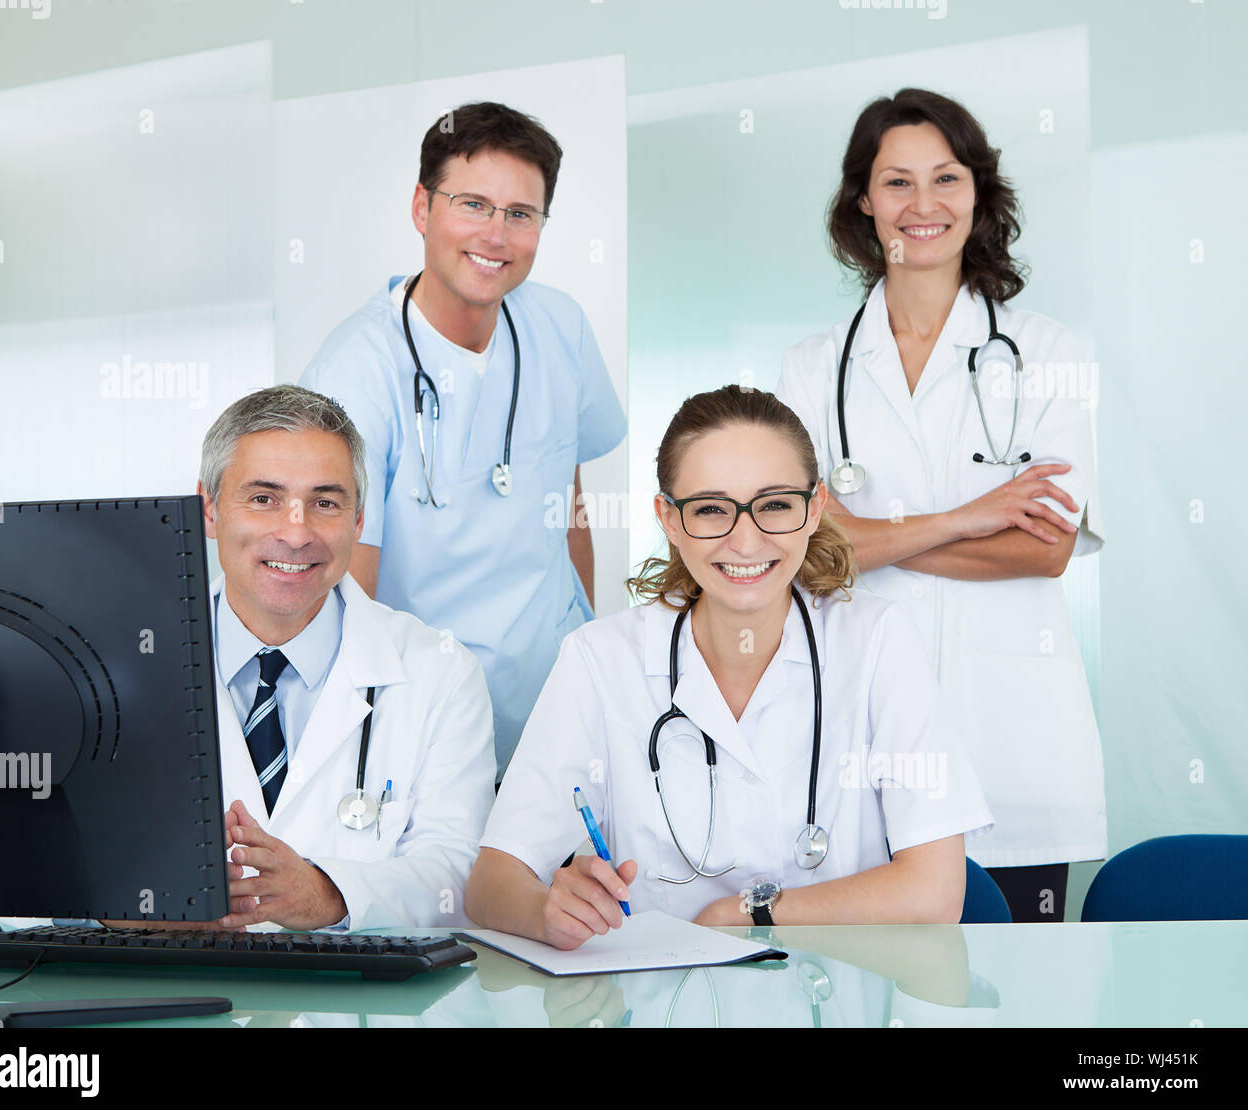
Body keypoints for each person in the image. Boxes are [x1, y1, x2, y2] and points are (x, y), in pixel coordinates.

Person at [465, 386, 994, 948]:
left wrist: (742, 914)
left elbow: (935, 891)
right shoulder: (600, 659)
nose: (745, 540)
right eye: (711, 509)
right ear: (668, 519)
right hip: (663, 1003)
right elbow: (490, 884)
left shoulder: (877, 640)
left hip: (839, 999)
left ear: (814, 510)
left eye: (774, 505)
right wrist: (546, 909)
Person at [776, 88, 1106, 922]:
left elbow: (1045, 549)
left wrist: (859, 536)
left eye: (946, 179)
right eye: (896, 183)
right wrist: (971, 514)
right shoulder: (812, 370)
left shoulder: (1045, 354)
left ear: (978, 195)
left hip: (1016, 752)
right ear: (863, 200)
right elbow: (801, 551)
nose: (923, 206)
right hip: (864, 748)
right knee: (869, 999)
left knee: (1025, 1001)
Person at [300, 101, 627, 781]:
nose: (497, 234)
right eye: (473, 203)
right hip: (426, 731)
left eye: (520, 213)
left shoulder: (558, 326)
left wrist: (584, 665)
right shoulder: (356, 371)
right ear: (422, 207)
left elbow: (568, 515)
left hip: (554, 716)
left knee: (573, 886)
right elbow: (344, 590)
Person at [194, 384, 496, 932]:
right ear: (209, 509)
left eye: (326, 503)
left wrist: (329, 894)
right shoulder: (130, 664)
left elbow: (461, 877)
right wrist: (144, 910)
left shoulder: (442, 672)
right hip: (170, 997)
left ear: (358, 522)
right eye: (263, 498)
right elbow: (73, 859)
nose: (296, 531)